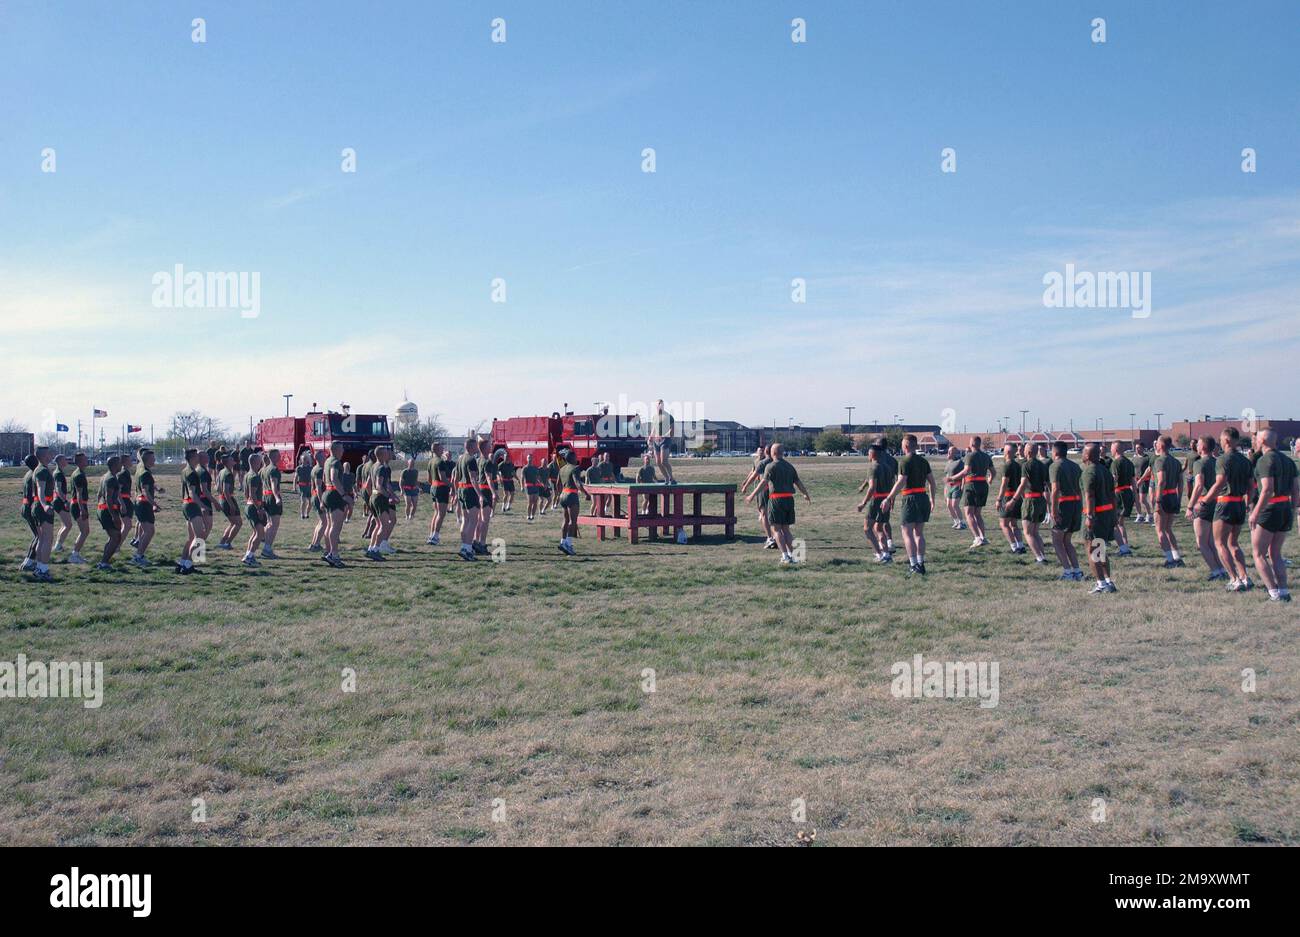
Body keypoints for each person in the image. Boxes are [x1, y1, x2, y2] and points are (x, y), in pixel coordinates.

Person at [1249, 429, 1296, 602]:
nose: (1254, 443)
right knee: (1275, 553)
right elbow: (1296, 489)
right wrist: (1292, 509)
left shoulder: (1264, 461)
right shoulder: (1288, 460)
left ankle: (1273, 593)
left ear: (1262, 441)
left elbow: (1267, 489)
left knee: (1259, 553)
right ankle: (1283, 591)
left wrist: (1255, 512)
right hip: (1284, 508)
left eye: (1256, 440)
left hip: (1270, 509)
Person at [881, 434, 936, 575]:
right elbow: (932, 482)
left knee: (907, 532)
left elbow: (901, 482)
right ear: (916, 445)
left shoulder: (904, 461)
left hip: (910, 499)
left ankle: (913, 565)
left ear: (905, 446)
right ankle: (921, 563)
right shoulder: (924, 461)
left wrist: (888, 498)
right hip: (923, 497)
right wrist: (932, 499)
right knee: (919, 533)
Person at [747, 443, 810, 565]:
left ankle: (785, 556)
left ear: (773, 453)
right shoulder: (790, 466)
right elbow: (798, 482)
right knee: (786, 529)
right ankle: (795, 557)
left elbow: (763, 483)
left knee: (776, 530)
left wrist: (752, 495)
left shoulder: (770, 466)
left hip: (776, 500)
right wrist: (806, 494)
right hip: (789, 500)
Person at [1185, 436, 1227, 582]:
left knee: (1202, 542)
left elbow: (1198, 486)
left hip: (1203, 502)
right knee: (1211, 541)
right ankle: (1221, 569)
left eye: (1198, 443)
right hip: (1217, 502)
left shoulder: (1199, 463)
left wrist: (1190, 506)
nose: (1196, 445)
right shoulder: (1217, 462)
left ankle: (1215, 571)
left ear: (1203, 447)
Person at [1080, 443, 1118, 593]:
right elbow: (1112, 496)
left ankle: (1101, 584)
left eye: (1083, 452)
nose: (1082, 454)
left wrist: (1089, 516)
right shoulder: (1105, 470)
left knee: (1092, 550)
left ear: (1088, 455)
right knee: (1100, 549)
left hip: (1095, 517)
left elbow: (1089, 495)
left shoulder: (1089, 472)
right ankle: (1108, 581)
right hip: (1106, 515)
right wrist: (1114, 514)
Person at [950, 436, 994, 548]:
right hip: (983, 485)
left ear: (972, 444)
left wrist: (953, 478)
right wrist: (990, 479)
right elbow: (993, 472)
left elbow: (966, 471)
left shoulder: (970, 456)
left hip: (972, 485)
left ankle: (977, 538)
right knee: (978, 513)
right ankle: (983, 537)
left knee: (969, 513)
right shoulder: (986, 456)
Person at [1048, 441, 1083, 581]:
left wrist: (1053, 510)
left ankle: (1067, 572)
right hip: (1076, 504)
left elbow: (1055, 489)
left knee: (1057, 540)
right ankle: (1077, 570)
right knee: (1067, 540)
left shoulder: (1055, 466)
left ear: (1055, 452)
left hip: (1063, 504)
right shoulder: (1075, 466)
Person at [855, 444, 893, 563]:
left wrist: (863, 503)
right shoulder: (887, 467)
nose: (867, 455)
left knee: (867, 529)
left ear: (872, 454)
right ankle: (887, 555)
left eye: (868, 453)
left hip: (876, 501)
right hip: (886, 499)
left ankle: (879, 554)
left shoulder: (873, 467)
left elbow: (872, 488)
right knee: (879, 528)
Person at [1013, 442, 1049, 564]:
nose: (1021, 452)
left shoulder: (1026, 465)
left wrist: (1013, 500)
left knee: (1028, 532)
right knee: (1035, 532)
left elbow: (1023, 484)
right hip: (1041, 500)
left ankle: (1039, 558)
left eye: (1024, 450)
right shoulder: (1042, 465)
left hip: (1030, 500)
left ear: (1028, 452)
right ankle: (1042, 555)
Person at [1152, 436, 1185, 568]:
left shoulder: (1160, 461)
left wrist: (1158, 500)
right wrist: (1179, 497)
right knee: (1168, 529)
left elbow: (1161, 481)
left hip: (1164, 497)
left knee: (1160, 530)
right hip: (1173, 496)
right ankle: (1177, 556)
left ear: (1161, 445)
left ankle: (1170, 559)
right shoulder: (1176, 462)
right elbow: (1181, 482)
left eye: (1157, 443)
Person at [29, 447, 58, 582]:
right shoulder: (42, 470)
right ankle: (43, 570)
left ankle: (40, 568)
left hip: (38, 506)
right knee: (47, 538)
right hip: (42, 507)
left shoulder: (41, 469)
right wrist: (45, 505)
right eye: (49, 453)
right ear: (44, 456)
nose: (51, 455)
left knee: (42, 538)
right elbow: (40, 490)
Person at [92, 455, 124, 571]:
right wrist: (114, 516)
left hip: (103, 509)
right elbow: (108, 498)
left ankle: (104, 561)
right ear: (115, 465)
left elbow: (98, 495)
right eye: (119, 463)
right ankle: (104, 562)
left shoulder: (104, 477)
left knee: (114, 537)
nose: (121, 465)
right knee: (116, 537)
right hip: (107, 510)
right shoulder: (111, 479)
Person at [452, 435, 482, 561]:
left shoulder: (460, 459)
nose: (477, 447)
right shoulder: (471, 459)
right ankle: (467, 549)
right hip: (470, 490)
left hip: (461, 490)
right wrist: (480, 495)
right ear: (471, 447)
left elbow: (456, 477)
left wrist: (455, 492)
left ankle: (464, 547)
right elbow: (474, 479)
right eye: (476, 445)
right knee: (473, 521)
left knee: (465, 520)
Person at [321, 441, 351, 567]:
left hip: (327, 493)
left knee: (329, 526)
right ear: (337, 450)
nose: (343, 451)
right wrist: (344, 495)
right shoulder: (335, 462)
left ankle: (329, 552)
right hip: (334, 495)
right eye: (342, 449)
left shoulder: (327, 461)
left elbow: (324, 478)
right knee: (335, 526)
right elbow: (334, 478)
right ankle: (334, 554)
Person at [176, 448, 205, 574]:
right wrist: (203, 506)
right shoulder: (192, 473)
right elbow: (193, 493)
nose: (199, 458)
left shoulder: (185, 471)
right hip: (192, 505)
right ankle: (188, 565)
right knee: (200, 537)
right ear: (193, 458)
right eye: (197, 456)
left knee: (191, 537)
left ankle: (182, 562)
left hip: (186, 504)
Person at [556, 449, 590, 555]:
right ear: (572, 458)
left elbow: (557, 484)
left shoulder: (562, 469)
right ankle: (569, 545)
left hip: (563, 495)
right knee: (573, 521)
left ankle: (562, 542)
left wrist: (559, 495)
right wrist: (587, 494)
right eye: (576, 457)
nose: (577, 458)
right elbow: (578, 483)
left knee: (565, 520)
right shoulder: (575, 468)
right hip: (571, 495)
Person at [741, 446, 775, 549]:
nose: (761, 452)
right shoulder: (775, 461)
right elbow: (752, 472)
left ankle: (770, 538)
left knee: (764, 513)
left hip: (764, 489)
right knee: (770, 514)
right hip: (775, 490)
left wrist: (746, 486)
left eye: (762, 450)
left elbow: (755, 474)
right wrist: (746, 481)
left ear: (765, 451)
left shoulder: (764, 462)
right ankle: (776, 537)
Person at [366, 447, 398, 560]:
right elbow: (380, 485)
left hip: (373, 497)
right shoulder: (382, 468)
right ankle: (375, 549)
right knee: (383, 525)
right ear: (381, 455)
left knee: (379, 525)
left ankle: (371, 548)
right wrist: (389, 496)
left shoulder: (373, 466)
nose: (388, 454)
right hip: (379, 498)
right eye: (386, 453)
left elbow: (368, 484)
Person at [996, 442, 1025, 554]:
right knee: (1014, 524)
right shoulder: (1018, 465)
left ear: (1007, 452)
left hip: (1008, 497)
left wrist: (999, 499)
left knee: (1003, 524)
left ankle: (1014, 547)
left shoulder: (1006, 465)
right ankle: (1021, 545)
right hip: (1017, 497)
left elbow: (1004, 484)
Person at [240, 451, 269, 567]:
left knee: (256, 532)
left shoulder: (247, 475)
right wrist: (259, 508)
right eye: (260, 461)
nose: (261, 463)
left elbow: (246, 493)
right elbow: (252, 494)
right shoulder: (255, 476)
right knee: (260, 533)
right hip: (254, 506)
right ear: (256, 462)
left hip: (249, 505)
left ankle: (248, 555)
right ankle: (249, 556)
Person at [131, 448, 158, 567]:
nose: (155, 460)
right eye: (153, 458)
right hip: (143, 504)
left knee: (147, 531)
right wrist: (154, 504)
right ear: (147, 460)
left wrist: (157, 489)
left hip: (140, 503)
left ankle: (139, 554)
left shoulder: (141, 470)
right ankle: (138, 556)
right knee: (149, 531)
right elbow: (145, 491)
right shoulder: (145, 473)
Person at [1108, 441, 1135, 557]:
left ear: (1116, 450)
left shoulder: (1115, 463)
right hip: (1128, 492)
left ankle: (1124, 548)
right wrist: (1135, 496)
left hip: (1118, 493)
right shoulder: (1129, 462)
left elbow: (1114, 479)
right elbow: (1133, 481)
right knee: (1121, 523)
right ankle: (1125, 546)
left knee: (1117, 522)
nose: (1111, 451)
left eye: (1112, 448)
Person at [426, 443, 454, 544]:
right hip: (441, 488)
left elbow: (429, 479)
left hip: (433, 487)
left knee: (436, 513)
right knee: (441, 514)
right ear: (437, 449)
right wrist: (452, 485)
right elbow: (443, 478)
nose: (443, 449)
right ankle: (435, 537)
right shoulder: (440, 462)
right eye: (442, 447)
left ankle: (431, 535)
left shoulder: (431, 461)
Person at [66, 452, 91, 565]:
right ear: (80, 461)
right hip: (78, 504)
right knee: (84, 531)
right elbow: (79, 494)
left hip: (78, 504)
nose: (87, 460)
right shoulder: (79, 475)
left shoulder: (78, 473)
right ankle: (74, 555)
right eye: (85, 459)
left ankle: (75, 554)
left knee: (85, 531)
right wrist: (82, 509)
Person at [215, 453, 242, 551]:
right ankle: (227, 543)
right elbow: (226, 491)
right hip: (228, 500)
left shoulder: (222, 471)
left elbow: (217, 487)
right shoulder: (228, 474)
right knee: (238, 523)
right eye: (231, 459)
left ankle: (222, 542)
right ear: (228, 462)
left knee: (232, 523)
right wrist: (231, 505)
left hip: (222, 499)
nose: (233, 460)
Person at [260, 449, 284, 559]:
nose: (280, 457)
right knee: (274, 524)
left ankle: (264, 544)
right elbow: (274, 485)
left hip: (265, 497)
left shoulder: (265, 469)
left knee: (269, 523)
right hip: (272, 498)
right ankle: (267, 549)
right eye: (278, 455)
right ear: (273, 457)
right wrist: (277, 498)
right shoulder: (274, 469)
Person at [475, 437, 496, 555]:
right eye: (489, 446)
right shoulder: (487, 462)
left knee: (478, 520)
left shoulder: (478, 460)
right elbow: (488, 478)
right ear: (485, 448)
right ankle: (482, 544)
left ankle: (476, 541)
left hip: (478, 490)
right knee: (485, 520)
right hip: (486, 491)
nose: (491, 447)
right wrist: (494, 492)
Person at [646, 399, 676, 484]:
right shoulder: (654, 417)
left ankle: (672, 478)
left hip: (665, 440)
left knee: (664, 461)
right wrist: (650, 437)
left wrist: (663, 435)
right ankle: (666, 478)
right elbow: (654, 429)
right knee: (658, 462)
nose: (659, 405)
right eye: (658, 404)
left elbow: (672, 431)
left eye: (661, 404)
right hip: (656, 441)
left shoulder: (669, 417)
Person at [51, 454, 73, 557]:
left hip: (58, 500)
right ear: (60, 461)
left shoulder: (58, 472)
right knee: (68, 525)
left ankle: (58, 546)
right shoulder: (58, 473)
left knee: (65, 525)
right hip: (59, 501)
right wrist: (65, 501)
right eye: (65, 460)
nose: (67, 461)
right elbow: (58, 489)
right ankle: (58, 546)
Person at [308, 450, 328, 552]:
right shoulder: (319, 470)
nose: (326, 458)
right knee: (324, 522)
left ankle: (314, 543)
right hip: (318, 497)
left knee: (321, 521)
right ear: (320, 458)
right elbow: (319, 487)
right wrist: (321, 501)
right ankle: (315, 544)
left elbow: (313, 486)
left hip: (314, 496)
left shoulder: (314, 469)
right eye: (324, 456)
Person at [944, 448, 965, 529]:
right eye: (948, 451)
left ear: (955, 453)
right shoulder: (948, 463)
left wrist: (963, 486)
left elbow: (964, 474)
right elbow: (947, 476)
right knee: (949, 505)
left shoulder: (960, 462)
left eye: (950, 452)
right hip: (949, 486)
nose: (948, 453)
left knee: (954, 505)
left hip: (957, 485)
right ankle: (956, 522)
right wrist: (945, 488)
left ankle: (962, 523)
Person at [1133, 441, 1153, 523]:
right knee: (1136, 499)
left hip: (1144, 481)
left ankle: (1149, 515)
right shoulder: (1134, 457)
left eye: (1139, 448)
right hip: (1135, 481)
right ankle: (1139, 515)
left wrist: (1142, 479)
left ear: (1143, 448)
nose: (1137, 449)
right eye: (1136, 448)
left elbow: (1149, 470)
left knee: (1142, 499)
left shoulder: (1147, 458)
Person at [521, 452, 544, 522]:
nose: (530, 459)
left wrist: (542, 483)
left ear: (533, 459)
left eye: (531, 457)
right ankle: (528, 515)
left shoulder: (535, 468)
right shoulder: (525, 468)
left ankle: (532, 515)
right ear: (527, 459)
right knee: (530, 502)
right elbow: (522, 478)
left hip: (536, 486)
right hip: (528, 486)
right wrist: (522, 486)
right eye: (528, 458)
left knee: (535, 502)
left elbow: (538, 477)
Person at [296, 450, 313, 519]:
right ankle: (302, 514)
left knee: (310, 502)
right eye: (303, 459)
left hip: (309, 486)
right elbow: (295, 477)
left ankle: (307, 514)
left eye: (306, 459)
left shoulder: (310, 468)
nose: (305, 460)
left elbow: (313, 477)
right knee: (303, 501)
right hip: (302, 486)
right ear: (301, 460)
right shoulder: (299, 468)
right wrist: (294, 486)